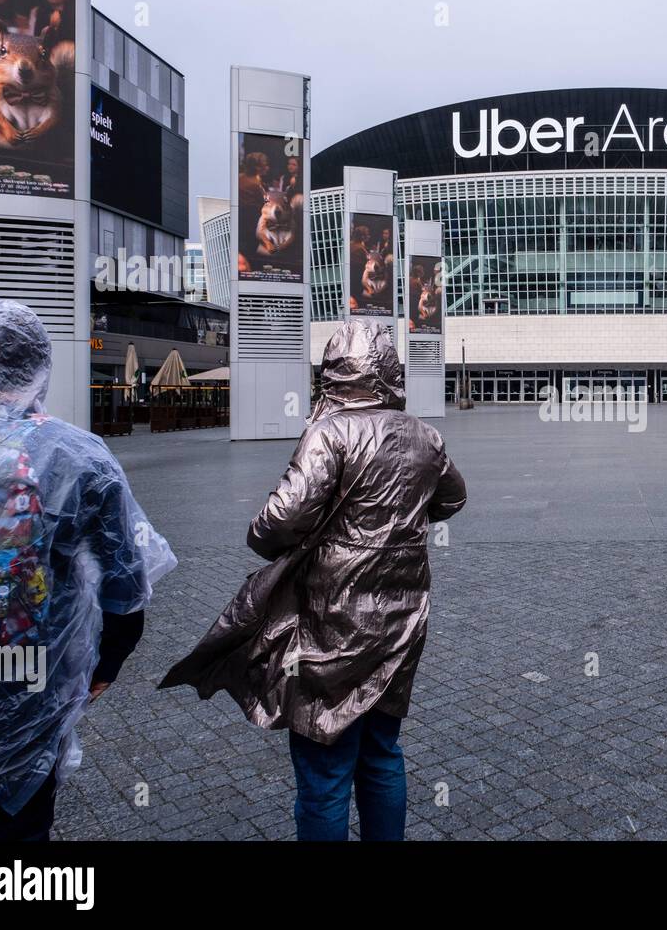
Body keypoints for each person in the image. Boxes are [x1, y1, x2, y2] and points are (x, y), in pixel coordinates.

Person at [162, 320, 467, 841]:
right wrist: (398, 522)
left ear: (334, 374)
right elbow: (453, 498)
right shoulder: (425, 434)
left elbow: (276, 524)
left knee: (325, 762)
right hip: (403, 608)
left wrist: (270, 531)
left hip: (333, 614)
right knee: (382, 751)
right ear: (387, 372)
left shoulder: (329, 432)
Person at [0, 301, 175, 842]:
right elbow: (125, 588)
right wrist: (106, 665)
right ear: (40, 369)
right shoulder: (78, 456)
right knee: (14, 841)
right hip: (24, 689)